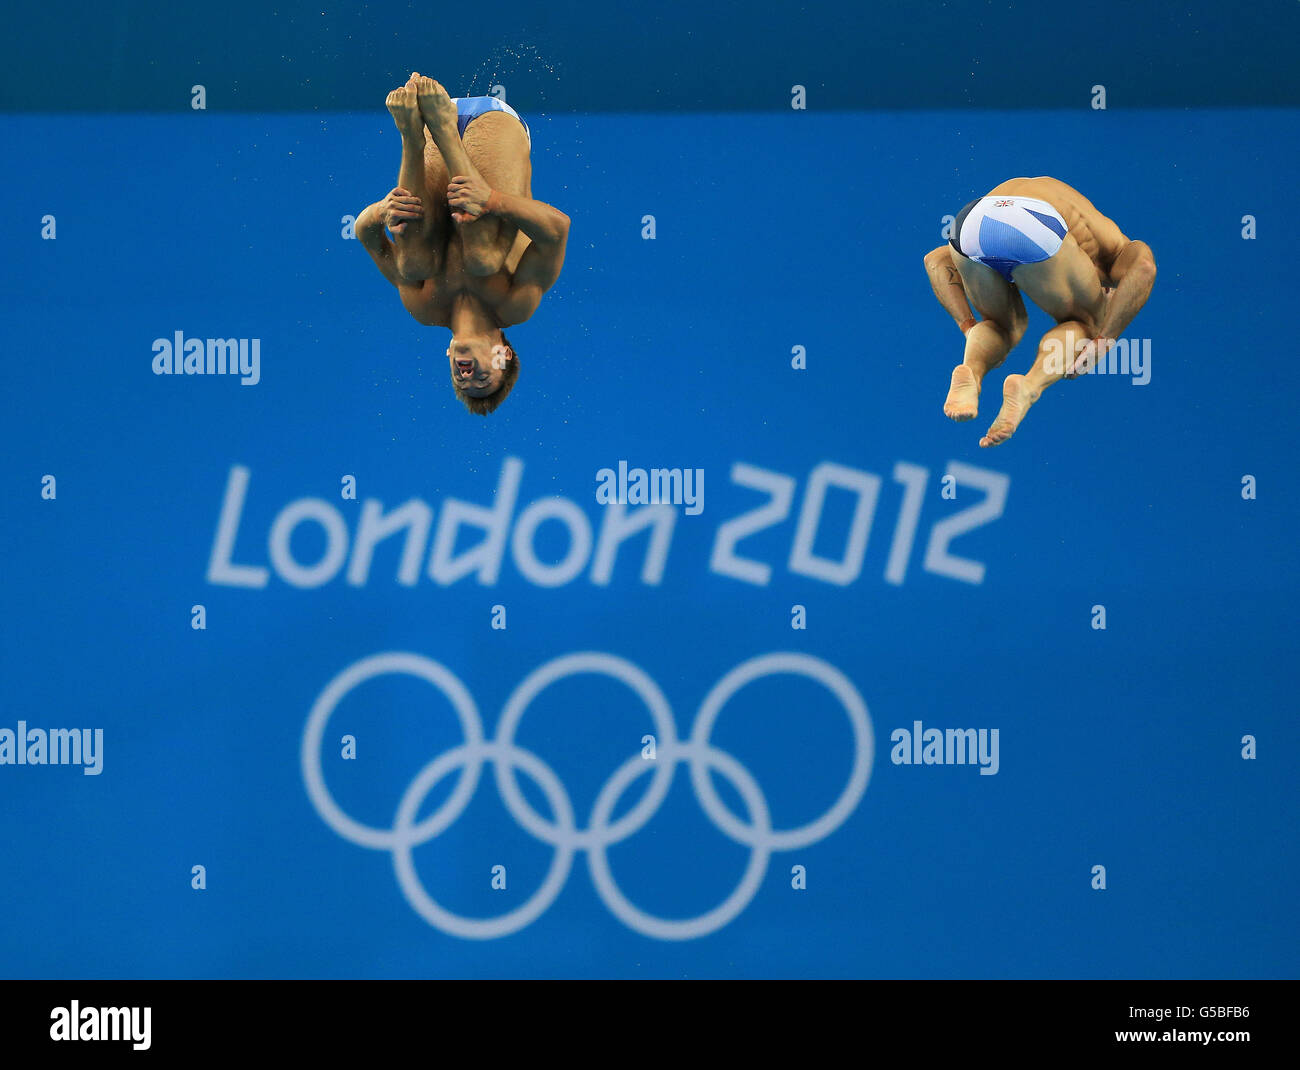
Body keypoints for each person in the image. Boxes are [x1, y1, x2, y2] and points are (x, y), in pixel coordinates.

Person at [356, 74, 570, 414]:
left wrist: (383, 209)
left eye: (460, 381)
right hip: (493, 124)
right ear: (504, 354)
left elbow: (366, 235)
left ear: (447, 357)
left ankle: (410, 138)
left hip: (426, 138)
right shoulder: (515, 304)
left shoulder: (424, 308)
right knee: (485, 260)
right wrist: (493, 200)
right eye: (483, 380)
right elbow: (558, 229)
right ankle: (442, 131)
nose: (467, 376)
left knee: (413, 265)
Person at [923, 177, 1156, 446]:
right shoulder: (1118, 248)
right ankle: (1028, 388)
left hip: (969, 221)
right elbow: (1145, 268)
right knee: (1087, 321)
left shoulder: (1077, 225)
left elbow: (934, 261)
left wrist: (969, 327)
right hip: (1033, 219)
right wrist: (1104, 339)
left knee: (1003, 325)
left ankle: (970, 371)